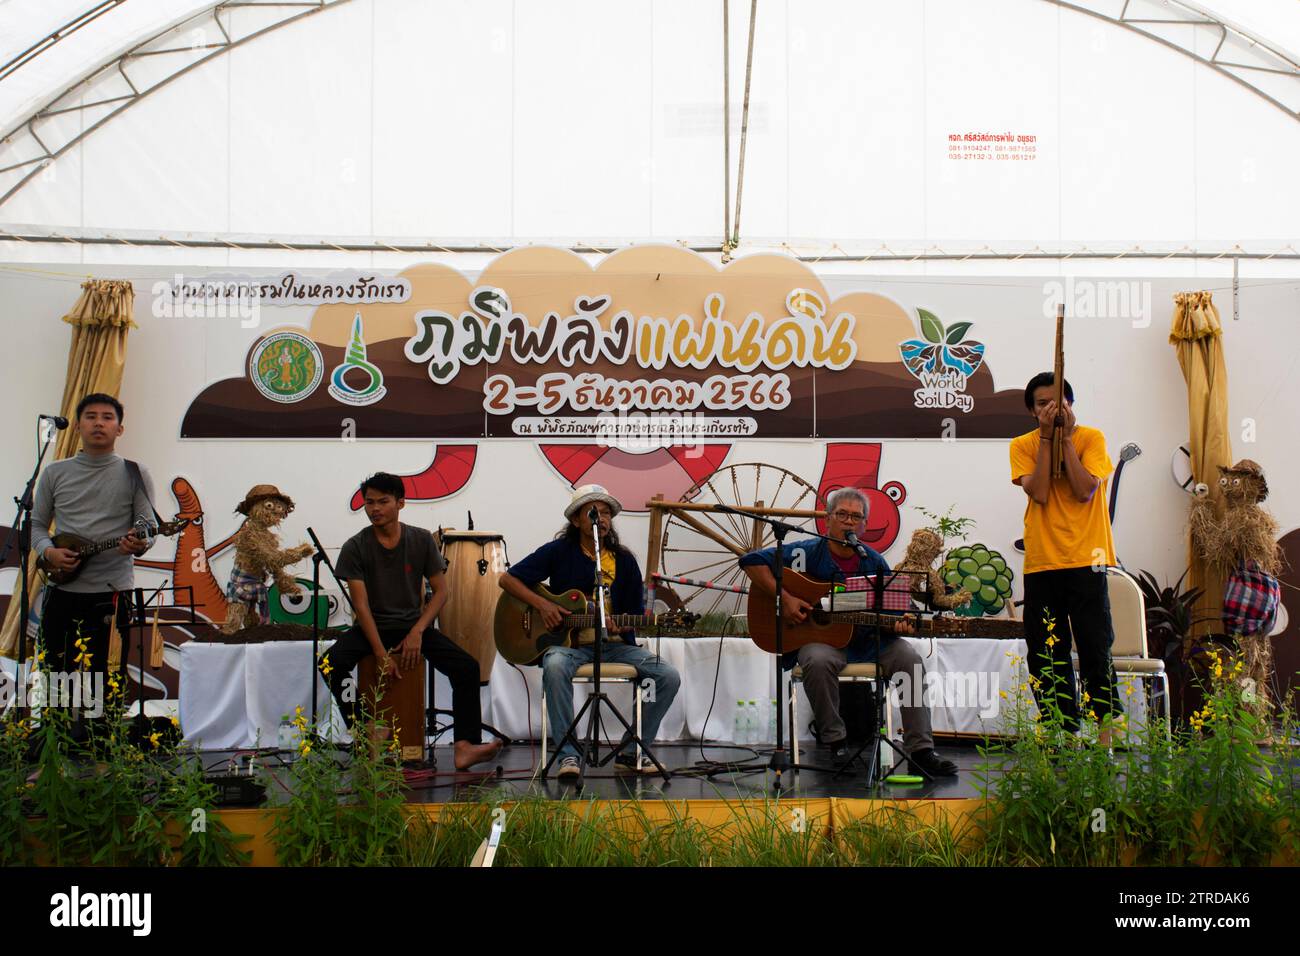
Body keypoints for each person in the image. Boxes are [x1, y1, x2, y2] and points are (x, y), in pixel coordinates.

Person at [739, 487, 957, 776]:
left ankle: (922, 749)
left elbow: (893, 609)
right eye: (842, 514)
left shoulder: (874, 562)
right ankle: (835, 741)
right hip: (824, 643)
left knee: (910, 660)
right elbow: (750, 562)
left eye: (856, 516)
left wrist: (905, 620)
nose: (849, 522)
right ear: (828, 520)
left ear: (865, 525)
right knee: (816, 660)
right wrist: (786, 598)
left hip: (870, 641)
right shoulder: (805, 553)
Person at [320, 472, 501, 770]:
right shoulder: (356, 546)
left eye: (383, 501)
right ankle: (366, 728)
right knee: (329, 664)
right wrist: (380, 653)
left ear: (400, 503)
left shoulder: (419, 539)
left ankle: (465, 746)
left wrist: (418, 630)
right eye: (369, 503)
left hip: (411, 625)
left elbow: (442, 592)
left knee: (467, 668)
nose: (375, 509)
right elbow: (361, 607)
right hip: (371, 628)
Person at [499, 484, 680, 779]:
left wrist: (626, 622)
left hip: (615, 644)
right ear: (576, 520)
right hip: (569, 646)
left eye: (607, 512)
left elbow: (634, 612)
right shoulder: (558, 552)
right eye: (594, 512)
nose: (603, 518)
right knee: (554, 664)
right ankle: (568, 756)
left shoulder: (624, 560)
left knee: (667, 675)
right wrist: (543, 606)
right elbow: (508, 580)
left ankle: (631, 752)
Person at [1010, 372, 1118, 745]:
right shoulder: (1022, 445)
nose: (1052, 409)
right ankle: (1062, 733)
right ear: (1031, 410)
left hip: (1088, 558)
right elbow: (1039, 492)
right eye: (1042, 404)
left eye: (1059, 402)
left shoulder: (1092, 438)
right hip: (1042, 562)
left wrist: (1066, 440)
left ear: (1071, 405)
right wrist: (1045, 438)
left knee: (1094, 646)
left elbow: (1085, 489)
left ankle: (1105, 734)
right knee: (1044, 652)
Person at [33, 393, 155, 709]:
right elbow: (35, 526)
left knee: (103, 671)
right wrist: (49, 553)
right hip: (61, 587)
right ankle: (54, 736)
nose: (98, 422)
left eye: (107, 417)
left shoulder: (135, 472)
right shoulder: (53, 473)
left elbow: (149, 527)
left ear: (120, 429)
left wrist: (140, 542)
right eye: (90, 416)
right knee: (55, 670)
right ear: (77, 426)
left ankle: (100, 741)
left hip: (113, 592)